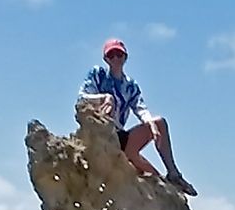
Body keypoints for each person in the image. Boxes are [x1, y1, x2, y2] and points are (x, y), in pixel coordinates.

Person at [80, 38, 196, 195]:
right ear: (106, 59)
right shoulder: (98, 74)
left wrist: (151, 125)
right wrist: (104, 98)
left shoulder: (130, 85)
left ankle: (173, 174)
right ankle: (149, 175)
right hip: (102, 134)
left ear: (125, 57)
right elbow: (83, 96)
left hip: (120, 136)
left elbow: (140, 108)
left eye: (119, 54)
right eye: (111, 55)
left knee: (159, 122)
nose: (115, 58)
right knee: (136, 161)